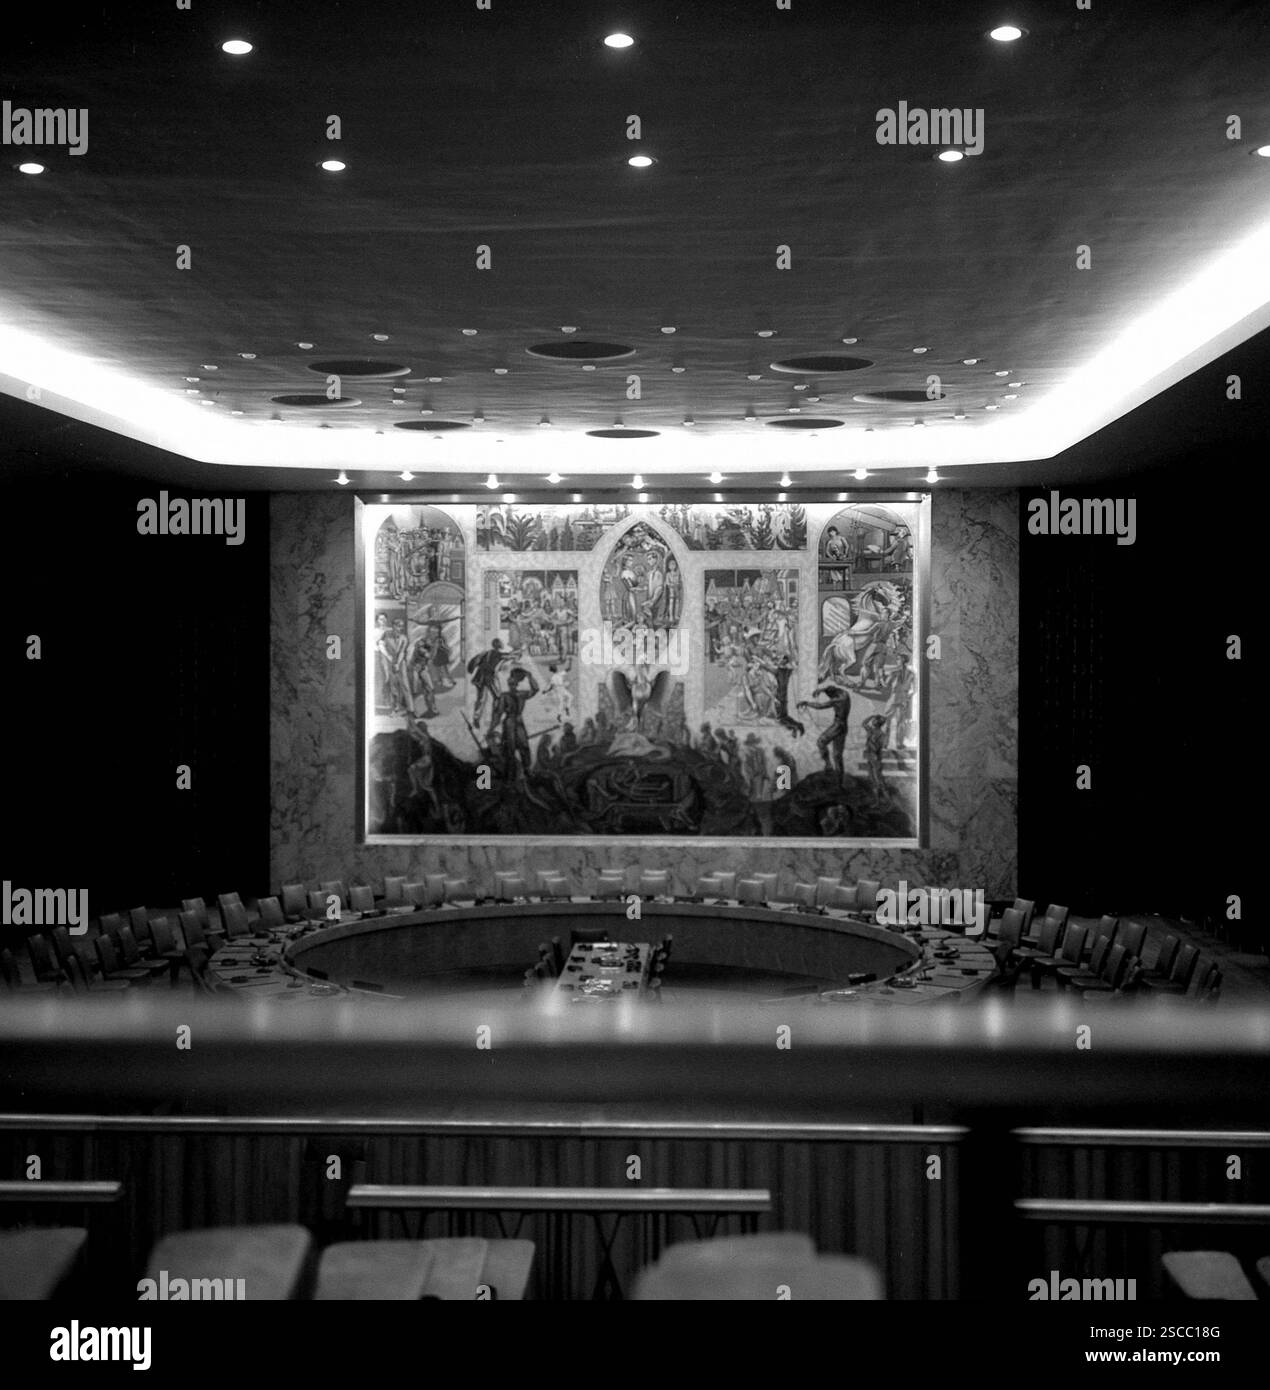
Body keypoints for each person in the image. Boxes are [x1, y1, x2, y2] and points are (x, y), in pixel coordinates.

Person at [798, 682, 852, 783]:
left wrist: (806, 703)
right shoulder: (844, 693)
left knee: (821, 741)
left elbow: (820, 706)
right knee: (837, 755)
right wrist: (821, 690)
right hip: (843, 726)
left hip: (838, 725)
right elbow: (832, 689)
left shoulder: (838, 700)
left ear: (833, 695)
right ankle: (839, 782)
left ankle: (828, 765)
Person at [467, 638, 509, 726]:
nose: (502, 644)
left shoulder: (486, 653)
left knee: (480, 699)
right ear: (498, 645)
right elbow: (510, 656)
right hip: (489, 678)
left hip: (479, 678)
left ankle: (476, 718)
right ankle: (495, 718)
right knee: (498, 697)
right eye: (501, 643)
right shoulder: (498, 654)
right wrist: (520, 651)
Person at [863, 714, 890, 798]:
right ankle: (877, 799)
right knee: (872, 777)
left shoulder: (881, 734)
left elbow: (882, 746)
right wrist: (871, 716)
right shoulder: (871, 730)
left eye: (874, 720)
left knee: (878, 777)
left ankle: (887, 798)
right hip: (869, 755)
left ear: (878, 723)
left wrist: (873, 744)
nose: (872, 721)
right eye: (873, 720)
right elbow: (864, 723)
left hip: (875, 756)